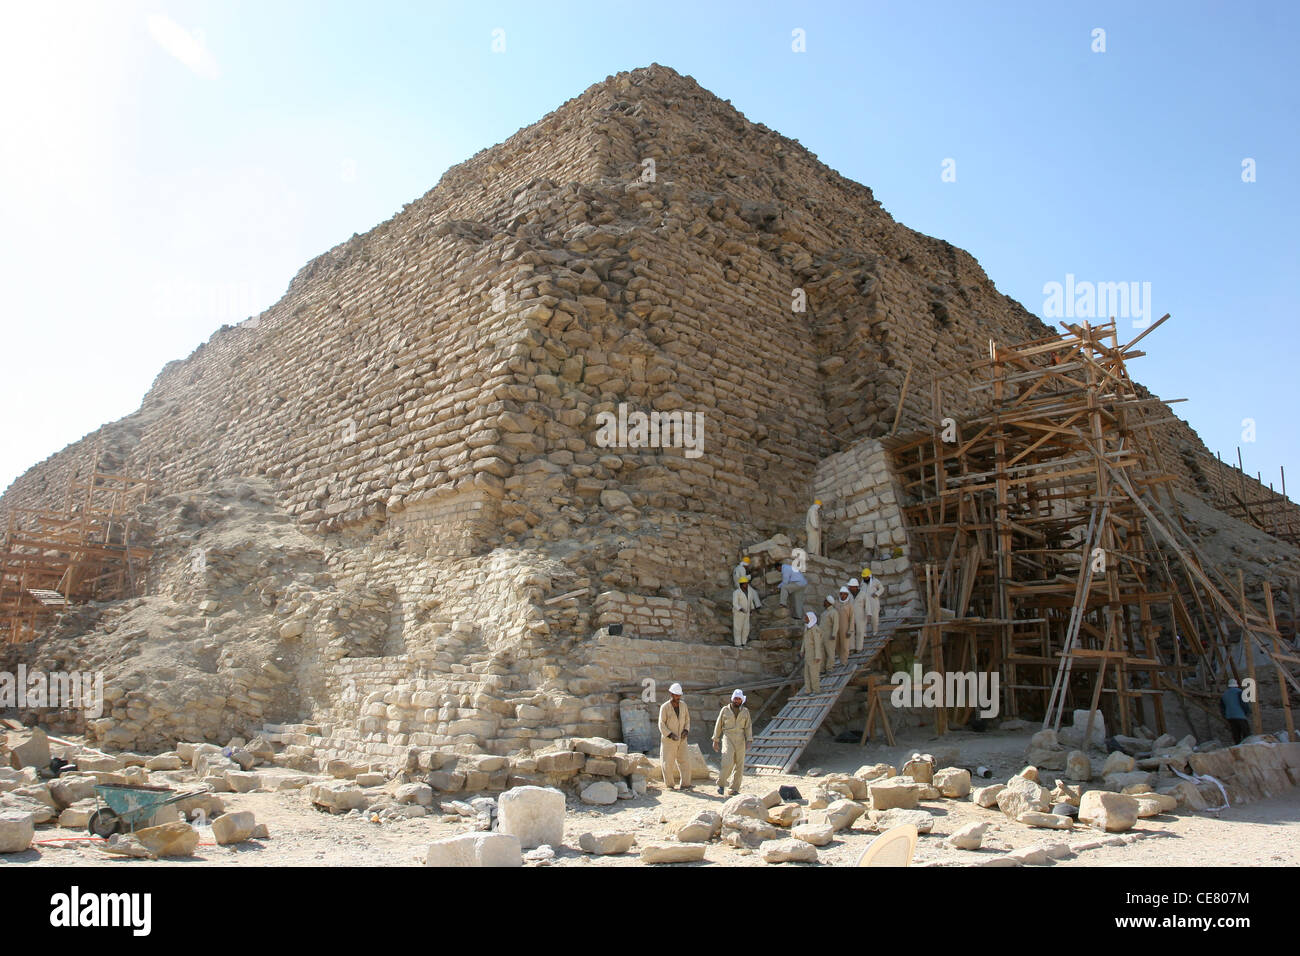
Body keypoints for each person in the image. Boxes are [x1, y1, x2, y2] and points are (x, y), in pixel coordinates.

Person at [713, 689, 753, 795]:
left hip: (740, 739)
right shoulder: (725, 710)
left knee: (739, 765)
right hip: (728, 737)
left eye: (739, 699)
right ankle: (721, 784)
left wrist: (749, 740)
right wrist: (715, 740)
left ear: (742, 700)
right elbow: (718, 725)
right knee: (727, 762)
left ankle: (734, 789)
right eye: (735, 698)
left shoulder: (745, 712)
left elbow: (748, 727)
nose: (737, 701)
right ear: (732, 699)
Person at [658, 682, 693, 790]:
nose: (678, 697)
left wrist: (686, 730)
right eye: (676, 695)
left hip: (682, 740)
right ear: (671, 694)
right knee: (667, 763)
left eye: (679, 695)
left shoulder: (683, 705)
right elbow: (661, 724)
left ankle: (686, 784)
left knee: (685, 762)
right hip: (669, 740)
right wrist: (669, 734)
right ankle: (670, 785)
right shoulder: (665, 707)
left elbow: (687, 719)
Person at [731, 576, 761, 647]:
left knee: (746, 628)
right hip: (739, 613)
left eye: (747, 583)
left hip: (747, 613)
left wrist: (752, 608)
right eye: (745, 584)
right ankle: (738, 644)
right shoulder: (736, 592)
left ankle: (744, 643)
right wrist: (740, 609)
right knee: (738, 628)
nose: (746, 585)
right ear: (741, 584)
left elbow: (750, 601)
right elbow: (735, 603)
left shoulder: (749, 592)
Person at [1220, 678, 1251, 743]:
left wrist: (1225, 715)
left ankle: (1237, 746)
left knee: (1236, 734)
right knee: (1246, 734)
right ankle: (1246, 747)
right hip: (1240, 716)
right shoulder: (1239, 692)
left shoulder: (1224, 694)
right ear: (1236, 685)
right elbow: (1244, 704)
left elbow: (1222, 707)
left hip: (1230, 717)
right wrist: (1247, 712)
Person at [800, 611, 823, 694]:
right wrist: (802, 650)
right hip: (808, 655)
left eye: (806, 617)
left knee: (814, 674)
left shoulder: (815, 629)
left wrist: (818, 656)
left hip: (813, 655)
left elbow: (817, 643)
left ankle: (816, 690)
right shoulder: (806, 628)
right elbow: (804, 640)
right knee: (806, 674)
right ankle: (808, 690)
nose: (805, 619)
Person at [779, 557, 808, 621]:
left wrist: (778, 587)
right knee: (798, 599)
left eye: (777, 569)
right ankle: (798, 616)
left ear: (778, 567)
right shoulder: (789, 567)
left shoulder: (785, 569)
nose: (778, 571)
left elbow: (785, 582)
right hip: (803, 583)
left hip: (798, 583)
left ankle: (783, 603)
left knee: (784, 588)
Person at [862, 567, 885, 636]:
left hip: (873, 602)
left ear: (869, 576)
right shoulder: (862, 582)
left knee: (874, 617)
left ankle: (875, 631)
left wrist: (876, 594)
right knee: (864, 617)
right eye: (864, 577)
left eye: (866, 577)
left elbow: (882, 588)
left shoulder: (876, 581)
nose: (865, 578)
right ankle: (864, 632)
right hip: (865, 602)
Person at [834, 585, 854, 666]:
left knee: (845, 646)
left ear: (847, 595)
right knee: (837, 645)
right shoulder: (836, 604)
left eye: (845, 594)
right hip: (836, 628)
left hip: (845, 628)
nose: (843, 595)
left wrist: (850, 630)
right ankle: (840, 659)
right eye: (841, 594)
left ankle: (844, 661)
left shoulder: (849, 605)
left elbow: (852, 618)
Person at [818, 594, 838, 668]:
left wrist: (834, 634)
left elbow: (836, 624)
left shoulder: (833, 612)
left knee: (830, 652)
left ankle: (830, 667)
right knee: (822, 652)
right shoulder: (824, 613)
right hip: (822, 635)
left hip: (829, 635)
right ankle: (822, 668)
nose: (824, 602)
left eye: (825, 601)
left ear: (828, 602)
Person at [847, 578, 865, 653]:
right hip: (851, 615)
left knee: (860, 632)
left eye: (851, 586)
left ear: (855, 587)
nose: (849, 588)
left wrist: (869, 614)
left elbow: (867, 605)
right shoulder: (848, 595)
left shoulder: (863, 594)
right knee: (851, 631)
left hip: (860, 615)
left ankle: (859, 648)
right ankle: (852, 648)